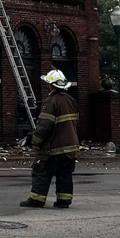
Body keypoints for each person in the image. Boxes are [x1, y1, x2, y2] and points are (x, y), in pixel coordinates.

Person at [22, 69, 82, 208]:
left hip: (53, 147)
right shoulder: (71, 100)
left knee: (41, 171)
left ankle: (37, 199)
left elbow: (45, 125)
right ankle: (64, 200)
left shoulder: (51, 101)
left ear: (51, 85)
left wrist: (35, 141)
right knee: (64, 174)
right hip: (70, 146)